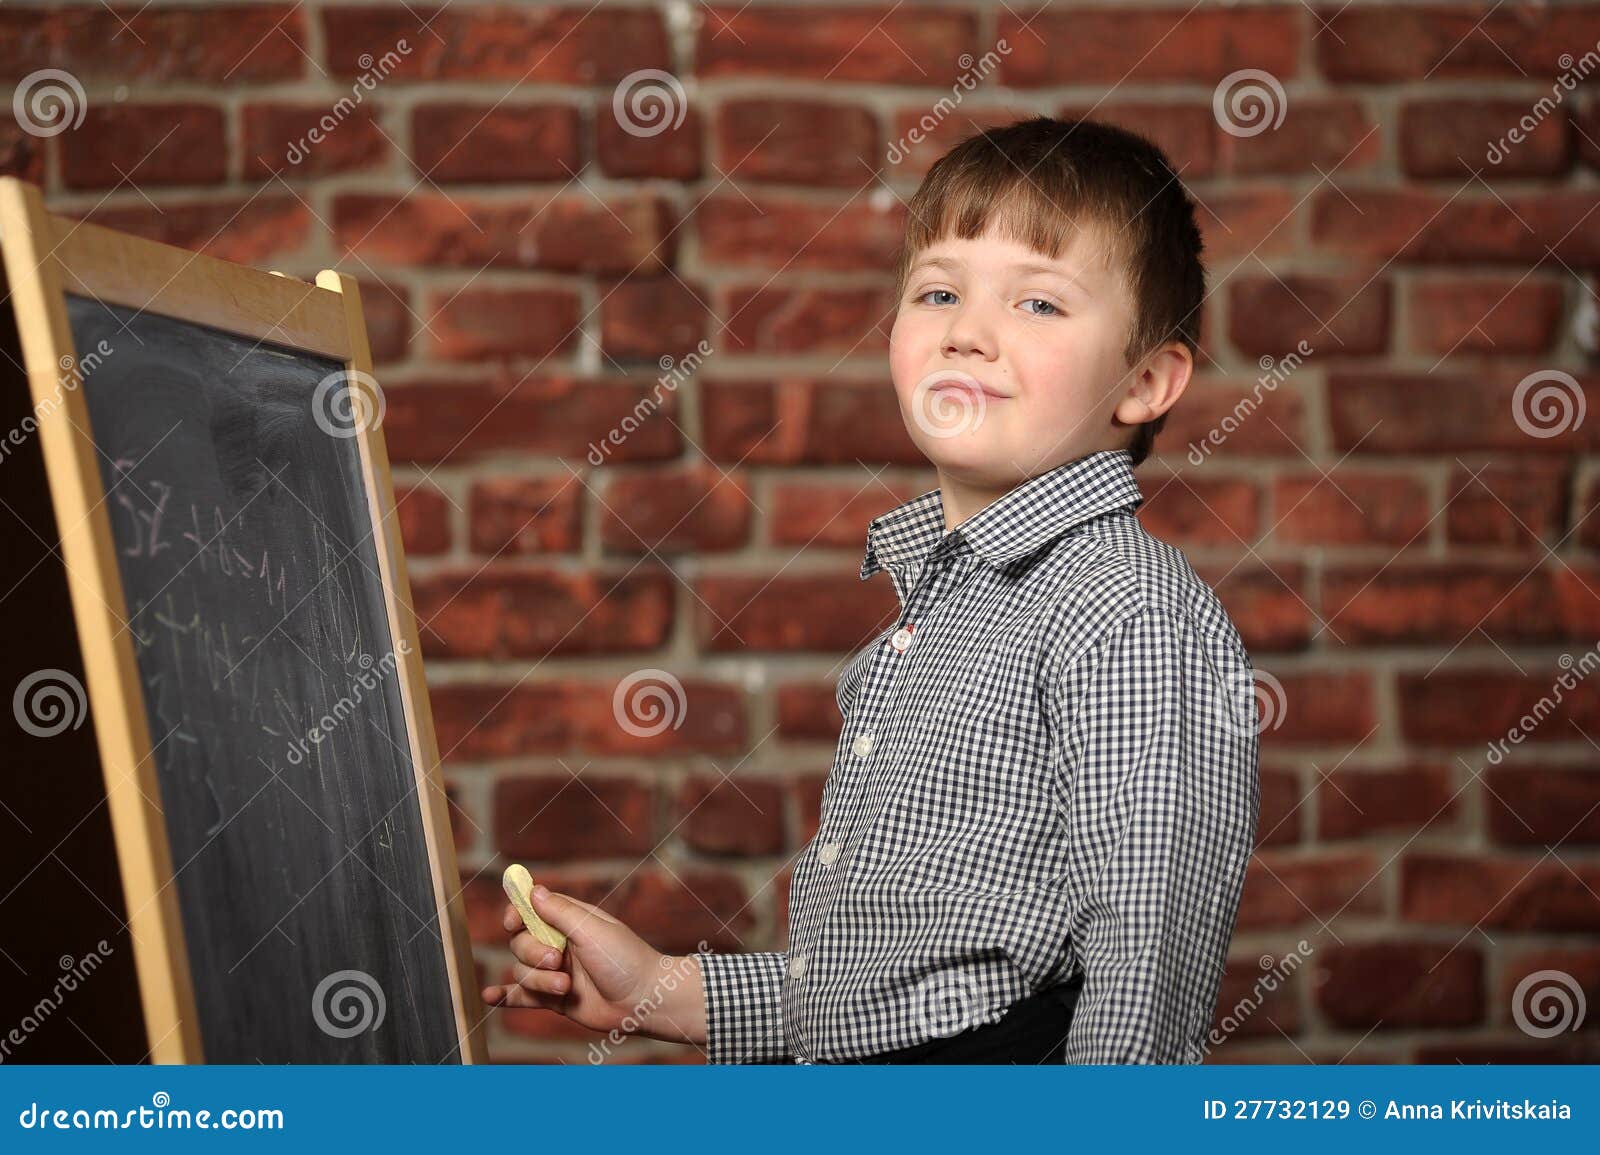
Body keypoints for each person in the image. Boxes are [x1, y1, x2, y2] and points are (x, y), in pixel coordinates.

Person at [482, 116, 1261, 1064]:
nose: (968, 333)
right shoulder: (943, 607)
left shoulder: (1124, 610)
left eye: (1041, 305)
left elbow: (1147, 969)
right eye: (938, 291)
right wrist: (656, 988)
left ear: (1144, 380)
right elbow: (893, 990)